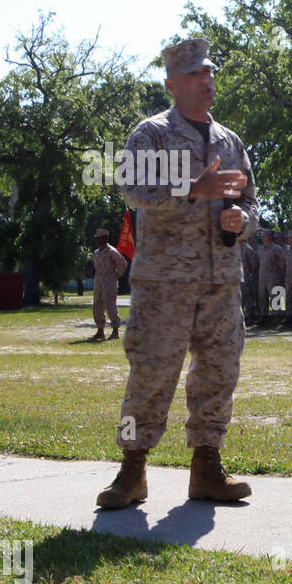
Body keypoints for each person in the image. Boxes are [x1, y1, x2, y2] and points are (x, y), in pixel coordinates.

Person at [96, 38, 258, 510]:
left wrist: (241, 221)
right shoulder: (151, 135)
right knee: (151, 371)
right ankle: (133, 470)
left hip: (221, 278)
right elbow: (133, 190)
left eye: (208, 72)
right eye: (193, 75)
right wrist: (194, 188)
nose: (205, 80)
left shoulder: (230, 142)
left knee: (218, 371)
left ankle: (207, 468)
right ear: (172, 84)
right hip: (165, 279)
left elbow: (252, 202)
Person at [91, 228, 128, 341]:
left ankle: (115, 330)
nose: (98, 240)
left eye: (100, 238)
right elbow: (95, 266)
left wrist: (116, 275)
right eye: (97, 238)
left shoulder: (112, 251)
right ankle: (100, 330)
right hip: (98, 282)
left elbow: (123, 263)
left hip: (109, 282)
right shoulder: (96, 253)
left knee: (110, 305)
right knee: (97, 305)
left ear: (105, 238)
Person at [256, 228, 285, 324]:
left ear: (269, 237)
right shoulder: (260, 249)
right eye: (262, 237)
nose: (264, 238)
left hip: (274, 275)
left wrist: (278, 273)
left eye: (265, 236)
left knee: (275, 295)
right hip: (262, 276)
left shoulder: (276, 248)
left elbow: (282, 263)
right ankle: (264, 314)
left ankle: (277, 315)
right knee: (262, 296)